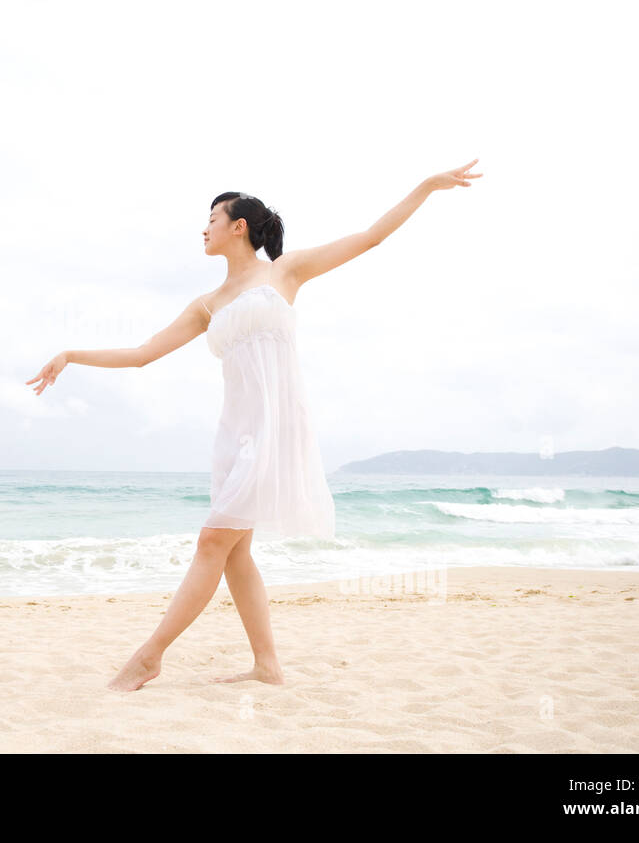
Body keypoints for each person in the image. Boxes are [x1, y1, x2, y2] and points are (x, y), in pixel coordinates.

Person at [25, 159, 483, 691]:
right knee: (236, 552)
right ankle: (267, 667)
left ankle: (149, 656)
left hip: (276, 428)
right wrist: (71, 354)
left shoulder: (283, 272)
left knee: (212, 543)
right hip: (233, 437)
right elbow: (143, 354)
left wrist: (426, 186)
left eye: (213, 218)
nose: (205, 227)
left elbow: (371, 237)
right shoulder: (207, 304)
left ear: (238, 226)